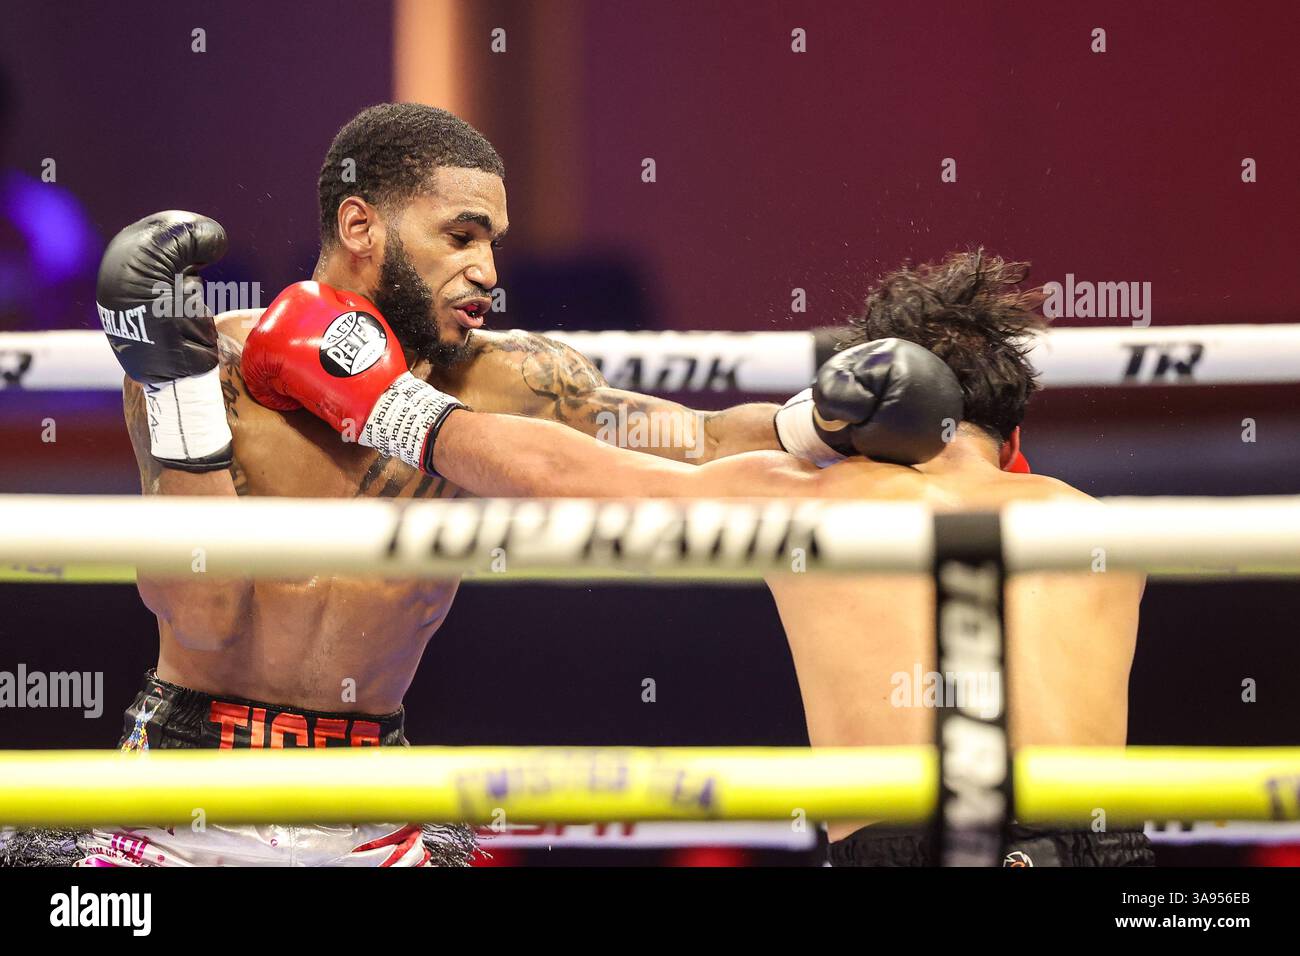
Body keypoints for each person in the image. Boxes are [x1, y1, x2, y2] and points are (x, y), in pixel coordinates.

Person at [78, 102, 847, 867]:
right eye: (460, 236)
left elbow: (697, 441)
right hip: (182, 789)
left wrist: (826, 421)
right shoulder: (205, 368)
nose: (487, 270)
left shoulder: (504, 378)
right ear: (359, 227)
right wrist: (174, 388)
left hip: (368, 803)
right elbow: (205, 618)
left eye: (492, 242)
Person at [250, 249, 1151, 867]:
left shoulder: (810, 497)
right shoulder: (1090, 525)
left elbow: (576, 476)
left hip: (906, 844)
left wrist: (384, 404)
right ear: (1014, 429)